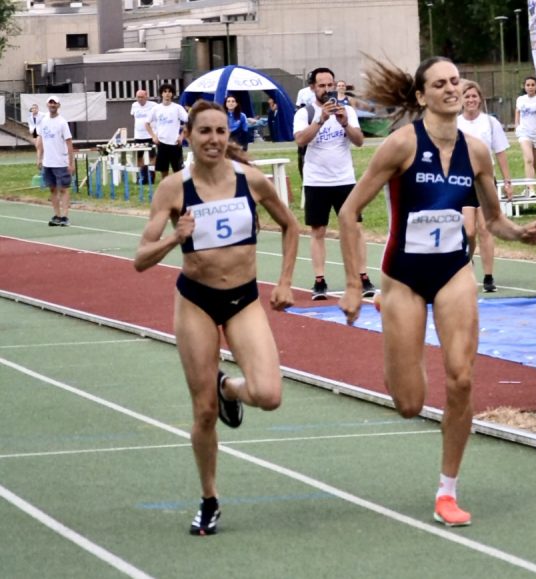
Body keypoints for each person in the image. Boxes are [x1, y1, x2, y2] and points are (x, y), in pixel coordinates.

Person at [339, 56, 536, 527]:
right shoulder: (400, 146)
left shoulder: (477, 151)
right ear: (421, 96)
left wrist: (519, 234)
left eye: (455, 81)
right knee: (410, 404)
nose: (452, 89)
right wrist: (355, 282)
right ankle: (388, 325)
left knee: (461, 378)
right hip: (403, 279)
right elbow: (350, 213)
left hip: (453, 272)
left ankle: (447, 491)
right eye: (440, 84)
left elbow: (492, 218)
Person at [133, 99, 299, 536]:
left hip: (243, 298)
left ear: (229, 136)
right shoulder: (173, 188)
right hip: (196, 301)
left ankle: (230, 386)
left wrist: (284, 281)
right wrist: (175, 238)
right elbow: (139, 259)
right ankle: (209, 499)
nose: (213, 140)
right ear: (187, 136)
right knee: (203, 411)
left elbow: (290, 225)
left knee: (268, 394)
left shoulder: (252, 180)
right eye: (204, 131)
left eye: (220, 132)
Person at [292, 67, 374, 300]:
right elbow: (300, 140)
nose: (327, 90)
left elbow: (359, 142)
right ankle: (319, 280)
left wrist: (346, 123)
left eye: (330, 85)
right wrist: (320, 120)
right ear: (312, 88)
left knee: (356, 228)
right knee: (318, 230)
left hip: (344, 179)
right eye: (322, 86)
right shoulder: (304, 113)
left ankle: (363, 276)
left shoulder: (346, 109)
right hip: (316, 180)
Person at [458, 80, 514, 293]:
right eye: (467, 96)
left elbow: (500, 152)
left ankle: (488, 276)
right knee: (469, 230)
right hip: (463, 182)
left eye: (474, 96)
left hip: (486, 181)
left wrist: (507, 181)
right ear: (461, 100)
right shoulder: (455, 124)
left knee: (485, 229)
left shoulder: (490, 123)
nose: (471, 100)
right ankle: (467, 261)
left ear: (480, 99)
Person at [35, 96, 74, 227]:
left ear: (58, 106)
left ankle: (65, 216)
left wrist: (71, 162)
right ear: (47, 105)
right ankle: (57, 215)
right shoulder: (43, 121)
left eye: (55, 103)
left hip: (61, 162)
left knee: (63, 188)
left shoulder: (62, 122)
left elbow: (69, 143)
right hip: (48, 162)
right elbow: (40, 140)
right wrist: (39, 158)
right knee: (52, 189)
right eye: (50, 103)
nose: (52, 105)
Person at [146, 83, 189, 181]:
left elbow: (188, 122)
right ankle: (165, 191)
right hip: (162, 143)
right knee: (163, 171)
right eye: (165, 92)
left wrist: (182, 136)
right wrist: (153, 136)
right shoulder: (156, 108)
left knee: (178, 171)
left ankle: (180, 191)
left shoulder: (177, 108)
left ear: (172, 94)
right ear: (161, 94)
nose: (167, 94)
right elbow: (146, 124)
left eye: (169, 92)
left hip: (175, 143)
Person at [130, 89, 157, 185]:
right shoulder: (134, 105)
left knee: (152, 155)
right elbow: (133, 117)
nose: (140, 99)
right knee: (139, 156)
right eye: (138, 97)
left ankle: (151, 174)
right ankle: (142, 175)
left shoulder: (153, 105)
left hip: (150, 135)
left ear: (146, 96)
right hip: (138, 135)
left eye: (142, 97)